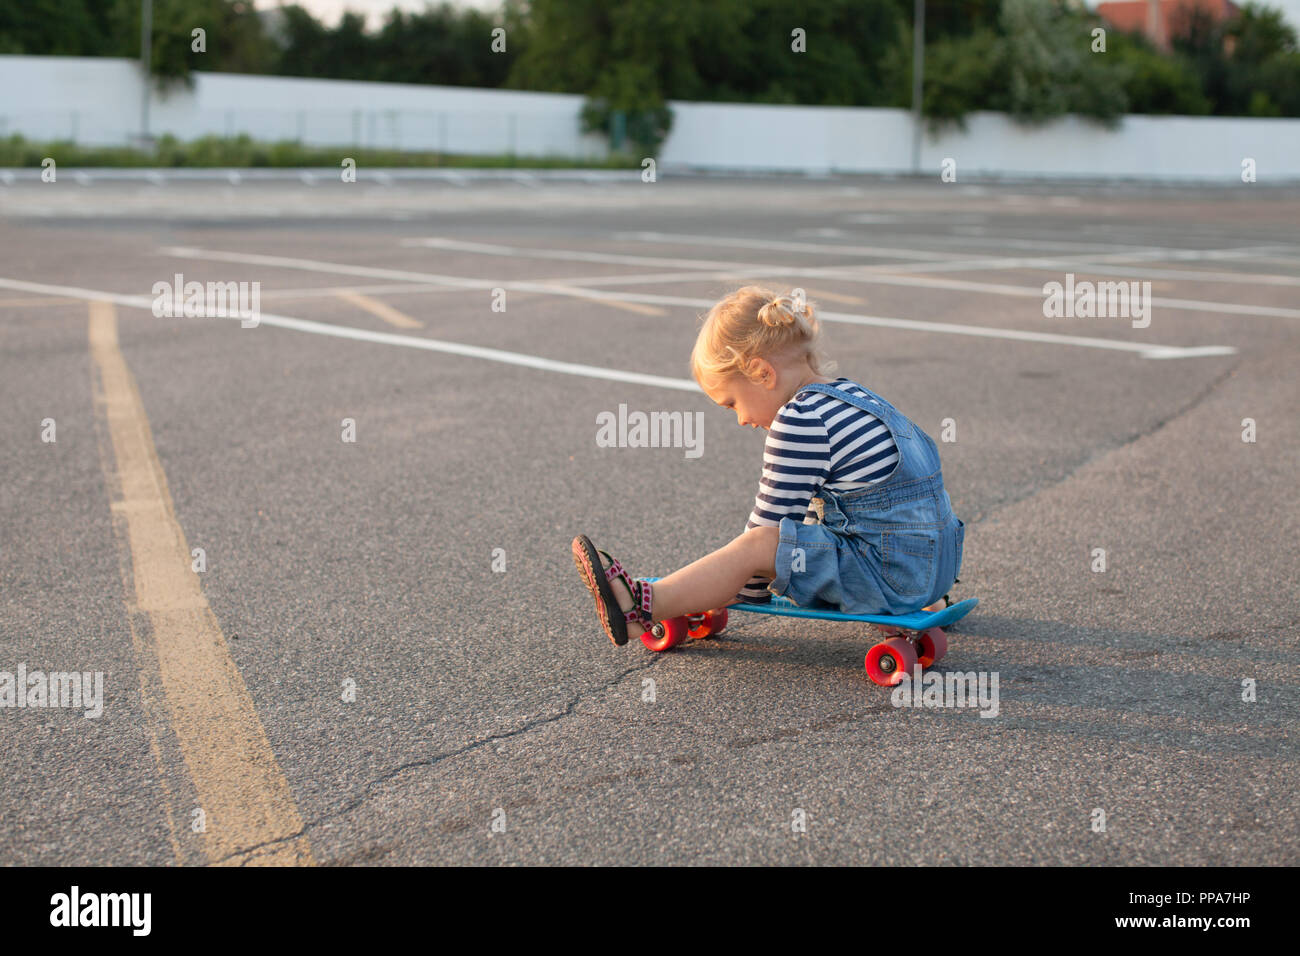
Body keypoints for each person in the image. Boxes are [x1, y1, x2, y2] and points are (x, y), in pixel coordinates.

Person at [572, 285, 964, 646]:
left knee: (758, 544)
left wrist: (735, 587)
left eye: (732, 403)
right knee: (795, 533)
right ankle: (910, 589)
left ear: (762, 373)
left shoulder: (800, 418)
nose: (740, 419)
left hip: (895, 579)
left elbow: (769, 527)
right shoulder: (852, 395)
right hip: (936, 566)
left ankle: (642, 606)